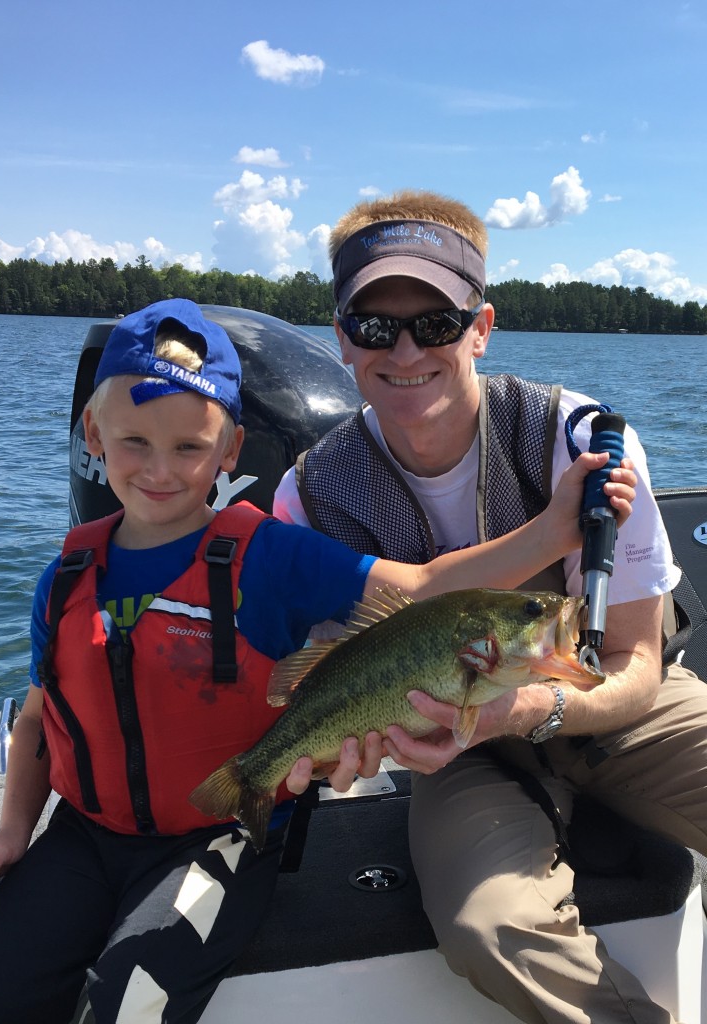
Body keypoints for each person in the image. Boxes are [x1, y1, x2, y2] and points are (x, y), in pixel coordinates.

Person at [0, 298, 634, 1024]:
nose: (159, 469)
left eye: (188, 447)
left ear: (231, 451)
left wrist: (555, 533)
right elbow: (43, 714)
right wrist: (14, 830)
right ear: (92, 433)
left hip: (221, 836)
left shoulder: (271, 555)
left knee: (127, 1004)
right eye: (134, 442)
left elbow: (424, 587)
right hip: (79, 838)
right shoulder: (65, 578)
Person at [273, 190, 707, 1024]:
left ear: (480, 327)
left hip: (597, 696)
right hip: (453, 752)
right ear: (340, 340)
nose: (405, 350)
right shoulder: (309, 495)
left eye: (435, 323)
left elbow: (637, 664)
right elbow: (329, 680)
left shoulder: (579, 442)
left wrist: (527, 708)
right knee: (489, 927)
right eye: (374, 327)